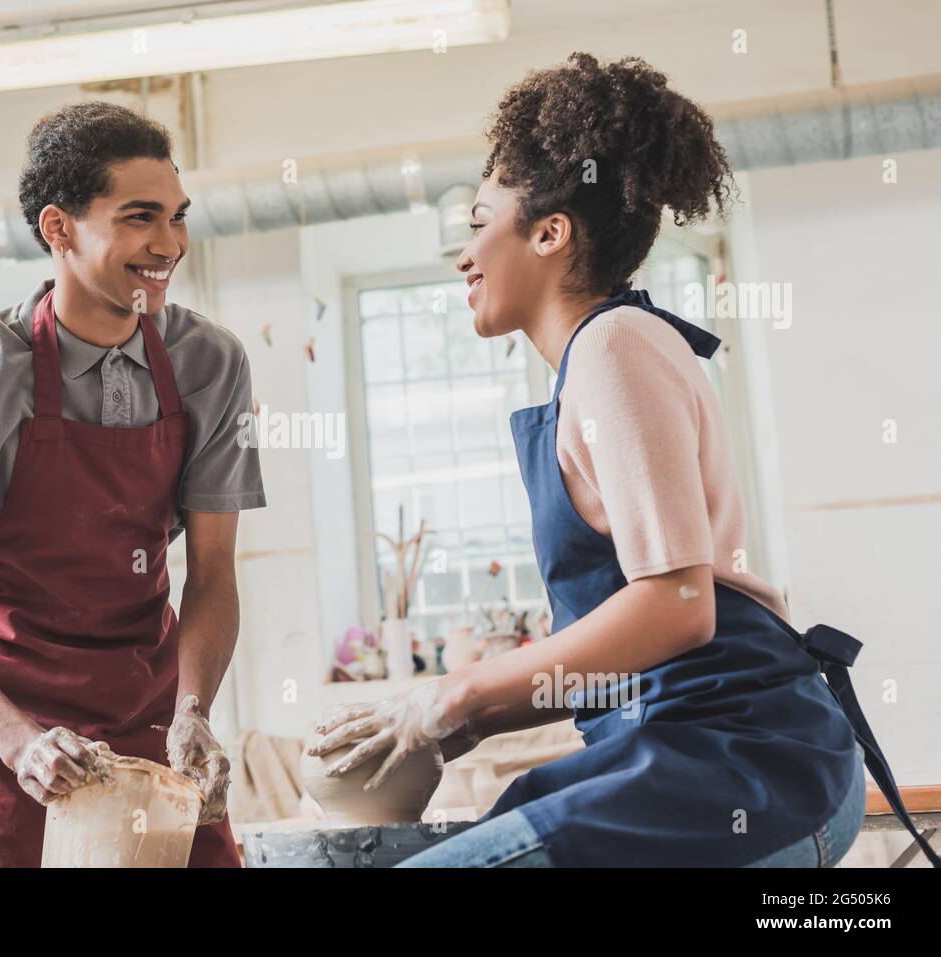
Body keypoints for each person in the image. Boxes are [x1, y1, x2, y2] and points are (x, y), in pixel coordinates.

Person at [309, 53, 938, 868]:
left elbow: (679, 607)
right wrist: (464, 720)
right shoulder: (606, 354)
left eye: (476, 221)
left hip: (748, 768)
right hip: (698, 756)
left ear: (550, 232)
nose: (463, 256)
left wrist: (457, 690)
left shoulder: (614, 346)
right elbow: (627, 650)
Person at [0, 101, 265, 867]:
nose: (169, 245)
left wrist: (193, 707)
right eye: (139, 218)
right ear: (58, 229)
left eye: (178, 217)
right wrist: (20, 741)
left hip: (154, 724)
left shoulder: (210, 365)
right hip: (14, 733)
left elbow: (213, 573)